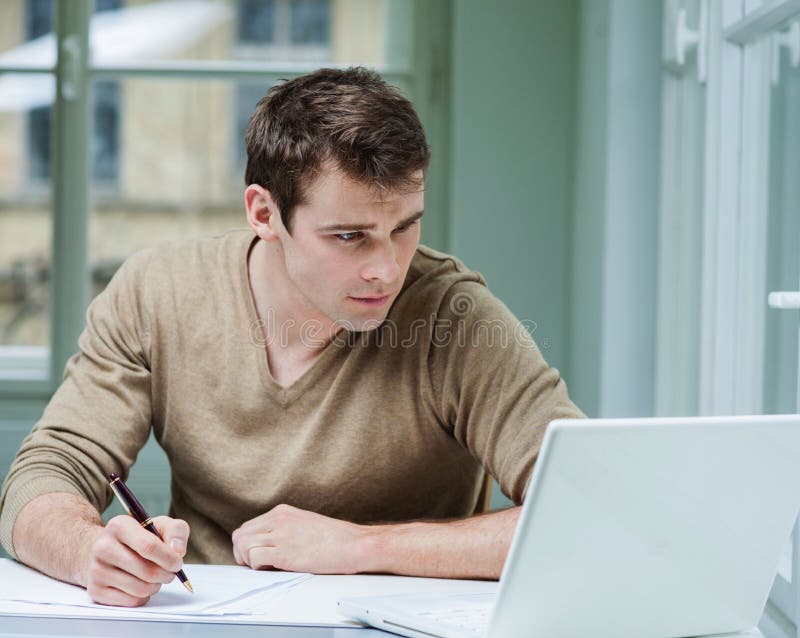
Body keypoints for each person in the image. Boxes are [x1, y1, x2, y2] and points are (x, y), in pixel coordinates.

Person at [0, 67, 583, 607]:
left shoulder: (455, 318)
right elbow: (44, 475)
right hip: (202, 619)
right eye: (349, 236)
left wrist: (365, 548)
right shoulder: (159, 293)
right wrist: (88, 551)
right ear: (263, 213)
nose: (387, 268)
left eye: (405, 228)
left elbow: (590, 509)